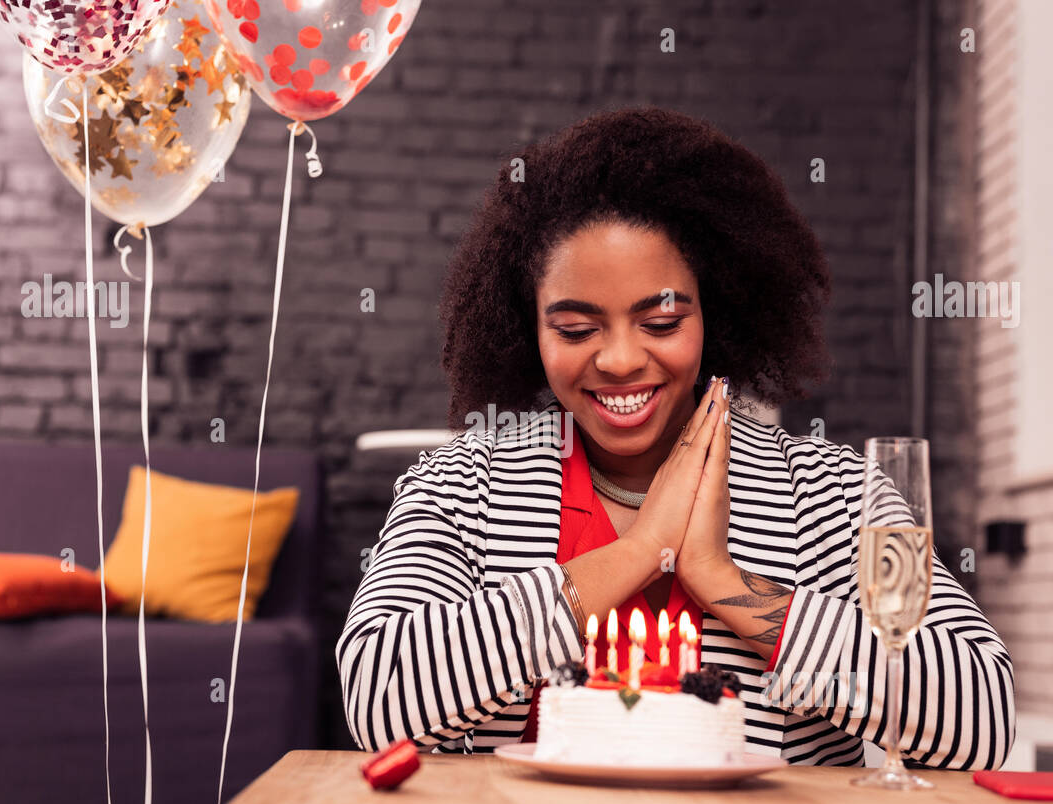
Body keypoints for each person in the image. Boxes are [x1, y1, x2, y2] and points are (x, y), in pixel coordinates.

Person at [337, 106, 1015, 768]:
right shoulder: (462, 484)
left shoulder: (836, 495)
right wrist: (636, 553)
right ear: (529, 331)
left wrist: (723, 580)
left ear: (714, 315)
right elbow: (376, 699)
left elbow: (982, 716)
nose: (622, 359)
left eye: (660, 322)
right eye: (576, 330)